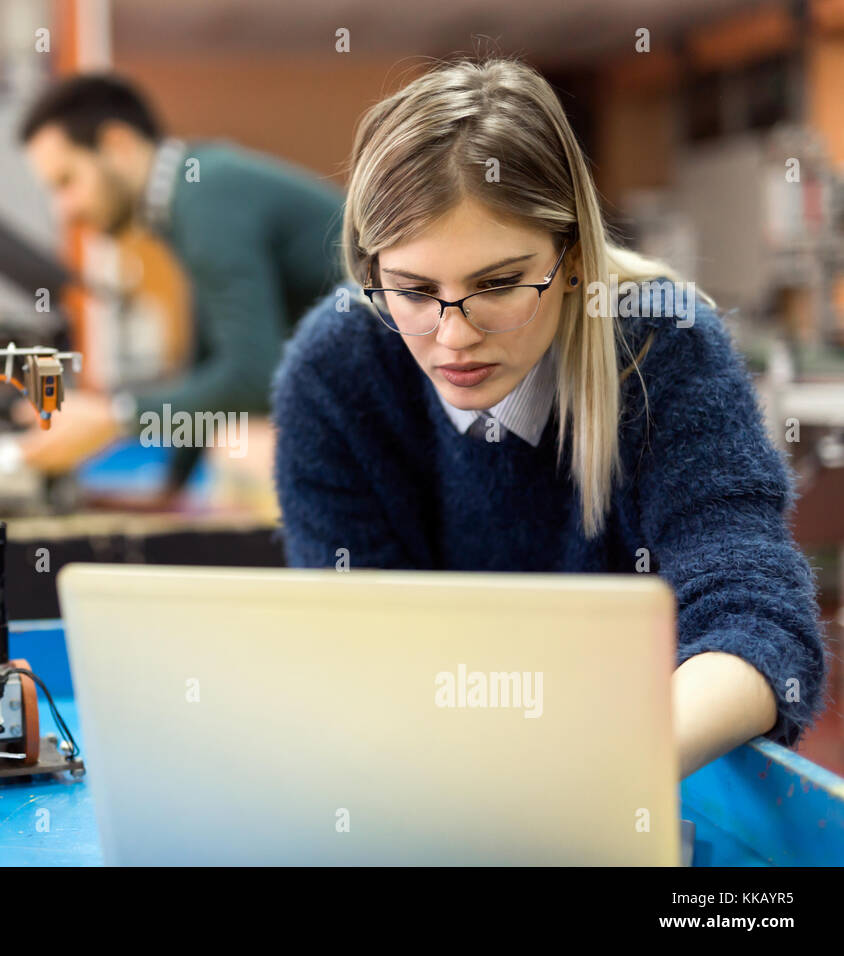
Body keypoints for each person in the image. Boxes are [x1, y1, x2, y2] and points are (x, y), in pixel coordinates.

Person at [271, 57, 826, 778]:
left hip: (636, 763)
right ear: (370, 271)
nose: (455, 333)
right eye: (411, 290)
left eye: (498, 284)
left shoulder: (664, 348)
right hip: (426, 771)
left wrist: (596, 778)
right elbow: (362, 648)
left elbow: (760, 619)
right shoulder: (333, 375)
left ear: (572, 260)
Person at [16, 73, 343, 496]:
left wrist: (114, 418)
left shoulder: (205, 198)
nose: (64, 212)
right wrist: (171, 491)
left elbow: (252, 377)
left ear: (117, 145)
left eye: (66, 181)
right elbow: (209, 362)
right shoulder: (193, 189)